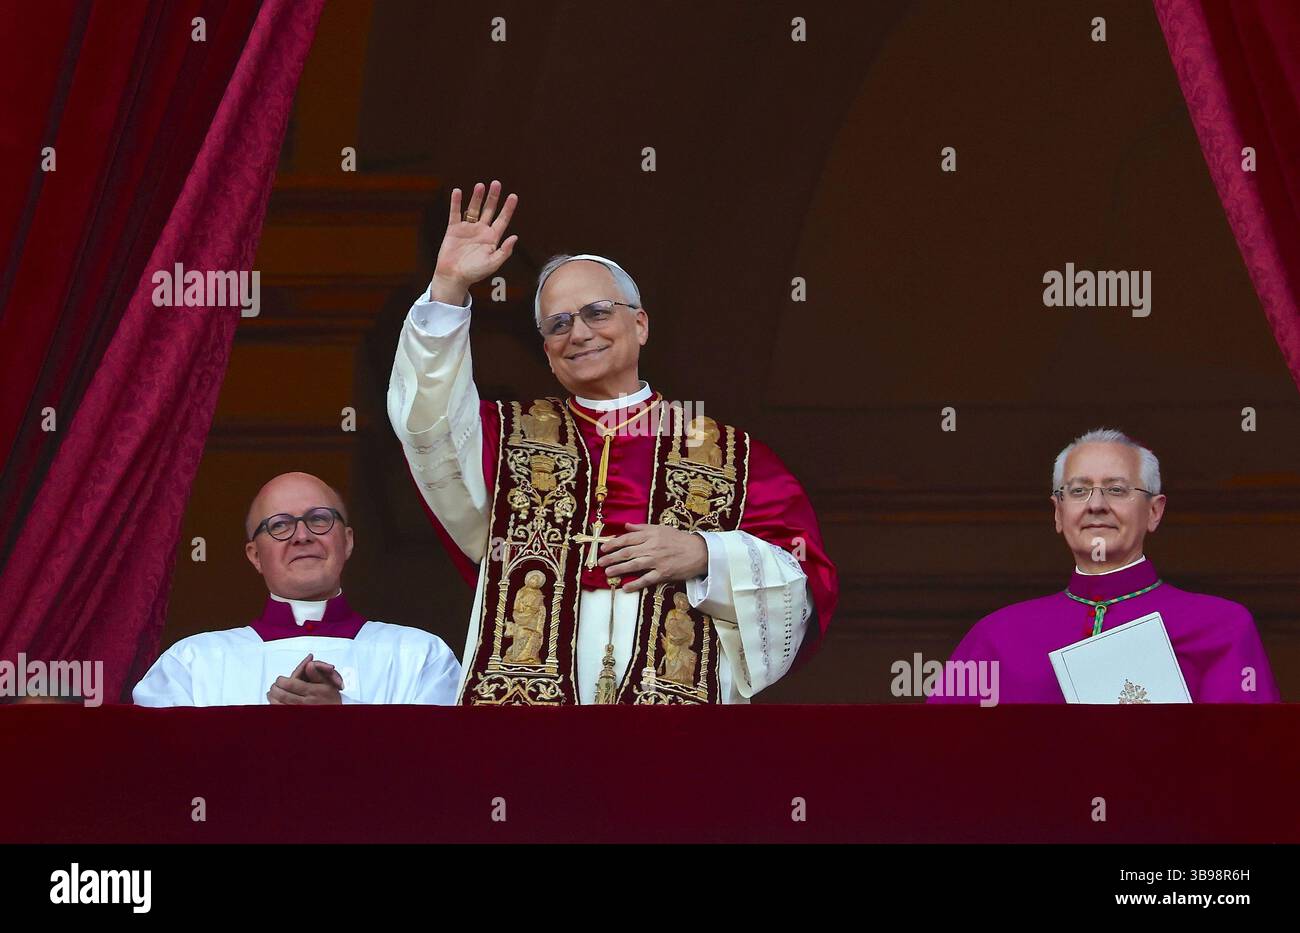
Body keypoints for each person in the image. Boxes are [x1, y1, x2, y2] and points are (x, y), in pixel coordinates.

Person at [387, 180, 837, 704]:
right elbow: (427, 424)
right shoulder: (504, 437)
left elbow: (803, 586)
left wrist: (706, 554)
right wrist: (448, 289)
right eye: (556, 324)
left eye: (597, 312)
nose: (578, 333)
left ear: (640, 324)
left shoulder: (733, 456)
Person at [929, 428, 1279, 704]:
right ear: (1058, 513)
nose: (1096, 505)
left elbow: (1248, 764)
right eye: (1079, 491)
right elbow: (937, 758)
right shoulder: (997, 636)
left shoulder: (1221, 627)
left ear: (1154, 512)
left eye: (1116, 489)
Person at [133, 472, 460, 706]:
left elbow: (439, 771)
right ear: (255, 556)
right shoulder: (191, 664)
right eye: (279, 525)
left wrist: (345, 720)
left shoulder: (420, 657)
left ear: (346, 542)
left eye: (319, 519)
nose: (301, 536)